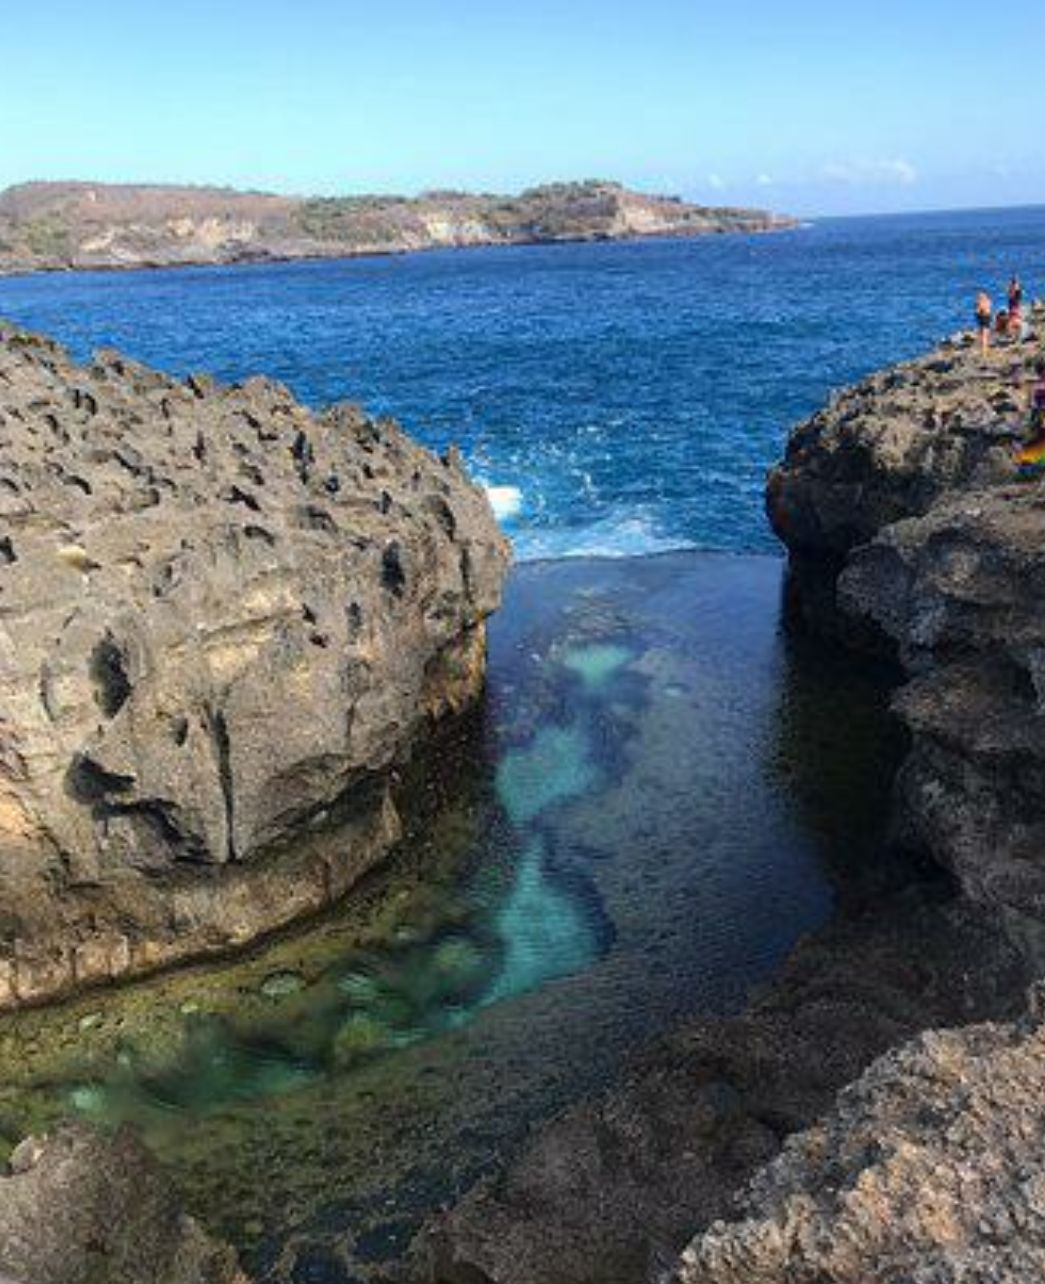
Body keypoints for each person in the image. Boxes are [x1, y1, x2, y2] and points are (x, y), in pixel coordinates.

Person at [975, 290, 992, 355]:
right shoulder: (987, 301)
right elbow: (988, 310)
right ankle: (984, 350)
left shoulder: (981, 303)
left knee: (984, 335)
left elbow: (977, 312)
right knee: (984, 335)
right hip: (985, 317)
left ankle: (984, 350)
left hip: (984, 317)